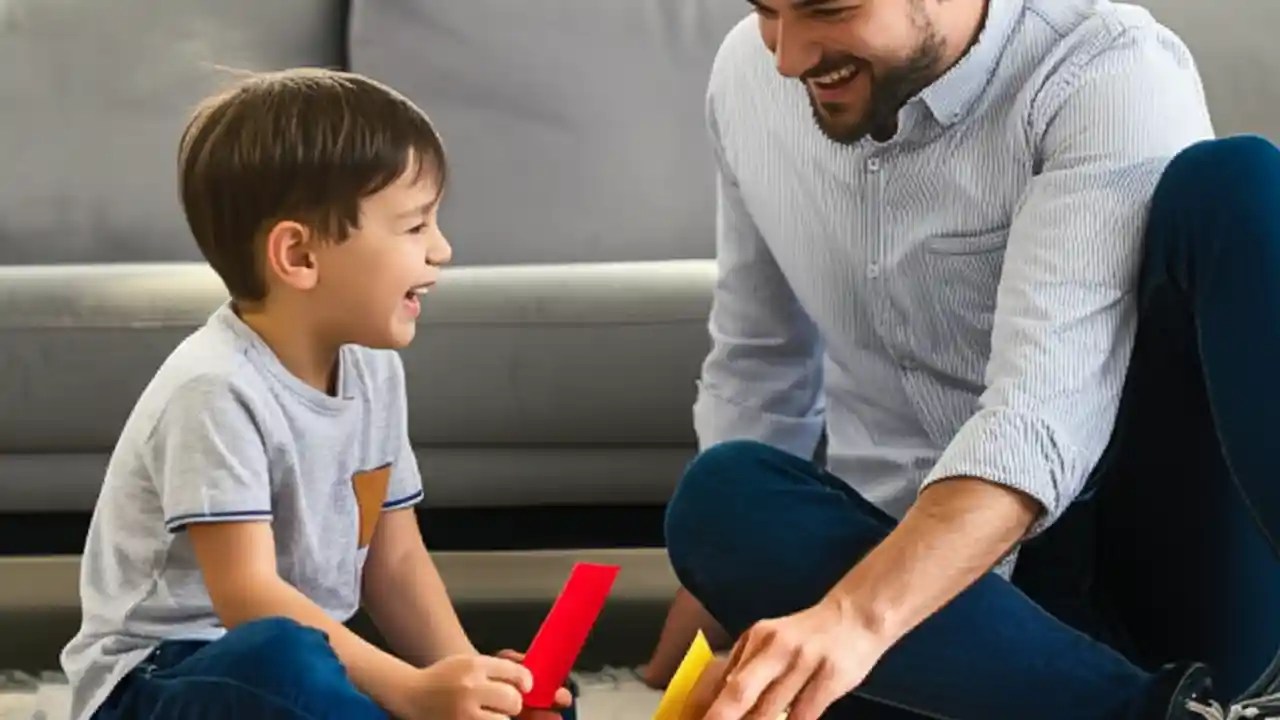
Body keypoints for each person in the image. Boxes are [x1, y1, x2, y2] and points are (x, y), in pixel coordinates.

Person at [661, 0, 1280, 718]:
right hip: (956, 628)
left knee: (1241, 187)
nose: (787, 57)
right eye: (767, 10)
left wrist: (856, 617)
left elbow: (1038, 424)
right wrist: (716, 600)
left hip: (1167, 570)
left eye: (829, 8)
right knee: (718, 499)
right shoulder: (749, 79)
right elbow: (762, 360)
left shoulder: (1106, 69)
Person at [59, 68, 574, 720]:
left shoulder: (373, 370)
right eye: (415, 227)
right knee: (286, 661)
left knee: (526, 698)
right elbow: (247, 598)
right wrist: (410, 693)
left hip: (313, 669)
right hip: (164, 678)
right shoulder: (214, 389)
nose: (441, 248)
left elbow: (395, 563)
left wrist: (460, 680)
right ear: (299, 256)